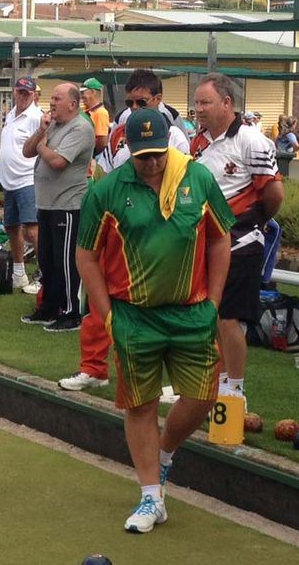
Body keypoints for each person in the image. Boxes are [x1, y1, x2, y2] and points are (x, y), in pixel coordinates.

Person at [78, 108, 233, 534]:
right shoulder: (106, 191)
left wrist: (215, 301)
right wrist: (106, 314)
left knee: (202, 396)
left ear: (170, 145)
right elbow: (86, 255)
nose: (150, 163)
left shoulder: (197, 179)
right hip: (133, 316)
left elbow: (221, 238)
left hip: (192, 312)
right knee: (141, 404)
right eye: (142, 155)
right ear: (127, 148)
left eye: (157, 154)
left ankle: (163, 454)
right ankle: (150, 496)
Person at [62, 68, 191, 392]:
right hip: (116, 225)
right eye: (130, 102)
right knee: (98, 296)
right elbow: (107, 169)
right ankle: (94, 368)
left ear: (158, 99)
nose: (134, 108)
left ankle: (169, 381)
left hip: (154, 233)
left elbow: (179, 184)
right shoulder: (121, 128)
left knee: (157, 307)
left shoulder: (173, 136)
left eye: (141, 102)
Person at [192, 72, 283, 401]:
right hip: (207, 242)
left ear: (227, 103)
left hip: (242, 242)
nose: (199, 109)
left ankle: (234, 390)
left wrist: (251, 223)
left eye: (206, 102)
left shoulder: (251, 140)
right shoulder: (199, 140)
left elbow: (273, 193)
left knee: (229, 317)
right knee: (210, 315)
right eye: (197, 102)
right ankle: (213, 382)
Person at [20, 82, 96, 332]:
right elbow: (27, 151)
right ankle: (49, 308)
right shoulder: (52, 125)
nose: (51, 103)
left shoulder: (81, 128)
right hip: (46, 204)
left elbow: (58, 161)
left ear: (73, 104)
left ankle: (72, 312)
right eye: (51, 98)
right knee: (47, 260)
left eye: (57, 98)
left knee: (66, 262)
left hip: (68, 205)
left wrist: (43, 145)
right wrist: (40, 133)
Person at [0, 76, 43, 291]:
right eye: (20, 92)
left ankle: (43, 276)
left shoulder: (36, 117)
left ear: (33, 94)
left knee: (32, 230)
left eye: (27, 93)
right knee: (11, 227)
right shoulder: (10, 115)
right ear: (15, 92)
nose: (22, 96)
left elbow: (42, 146)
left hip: (28, 179)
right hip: (10, 180)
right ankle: (18, 273)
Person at [80, 77, 110, 155]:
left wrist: (91, 155)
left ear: (93, 92)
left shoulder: (101, 113)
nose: (81, 96)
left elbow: (102, 142)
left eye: (83, 92)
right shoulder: (85, 110)